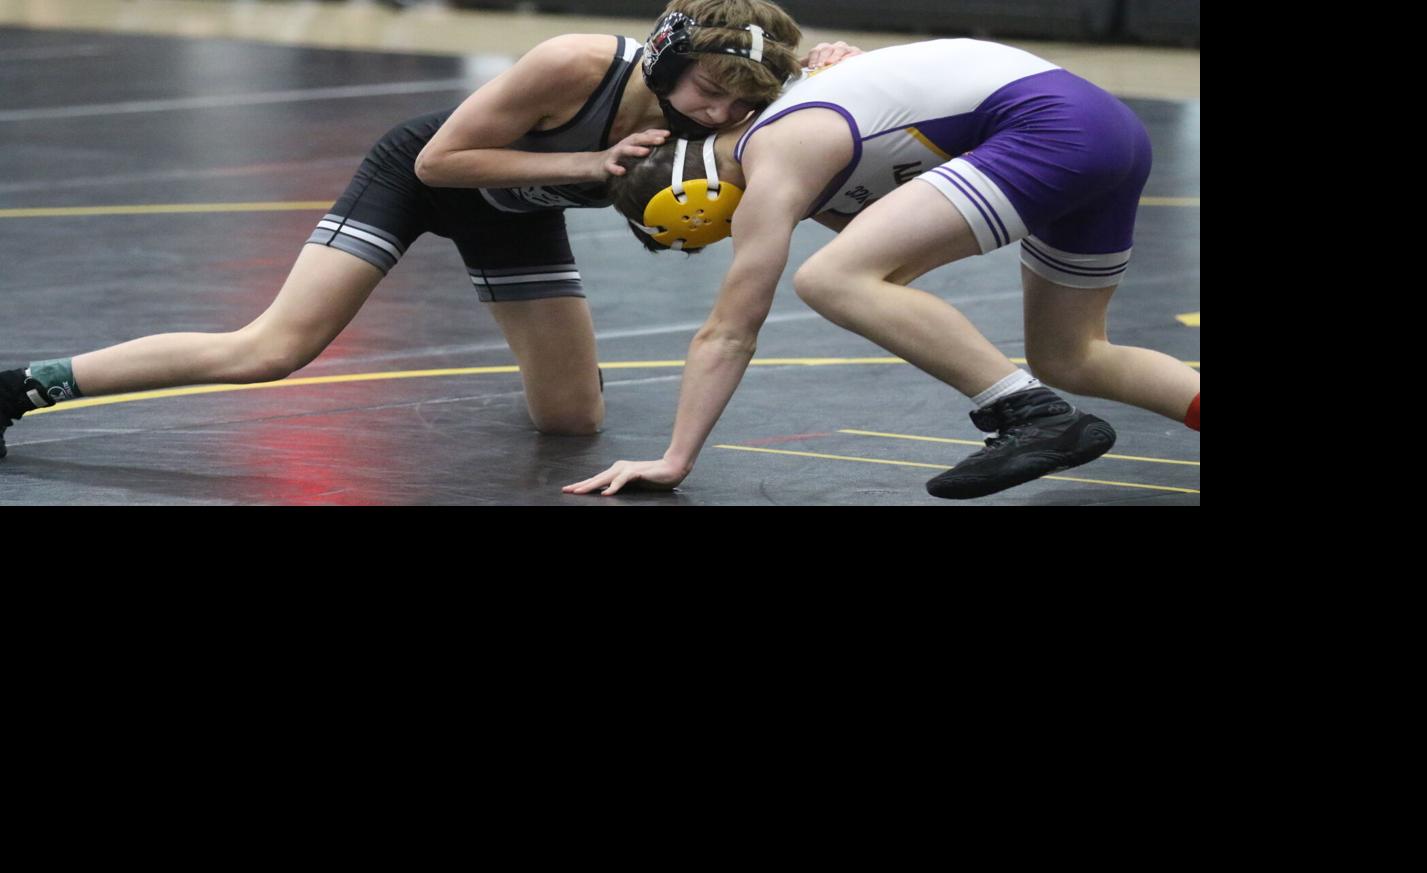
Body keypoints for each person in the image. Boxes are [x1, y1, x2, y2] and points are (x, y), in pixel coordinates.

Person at [1, 0, 861, 459]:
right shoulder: (575, 62)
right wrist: (580, 168)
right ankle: (18, 387)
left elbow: (814, 112)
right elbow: (441, 164)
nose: (721, 112)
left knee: (572, 422)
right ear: (669, 61)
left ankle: (564, 351)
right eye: (709, 91)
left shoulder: (737, 103)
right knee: (269, 351)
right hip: (430, 176)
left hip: (519, 215)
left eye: (740, 101)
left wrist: (842, 74)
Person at [563, 38, 1201, 500]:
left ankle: (1032, 415)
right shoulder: (800, 135)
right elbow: (891, 254)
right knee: (1074, 355)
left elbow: (731, 329)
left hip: (1051, 126)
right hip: (1103, 129)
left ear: (695, 191)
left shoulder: (773, 152)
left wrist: (675, 459)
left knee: (829, 278)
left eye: (716, 223)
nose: (738, 228)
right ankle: (1047, 400)